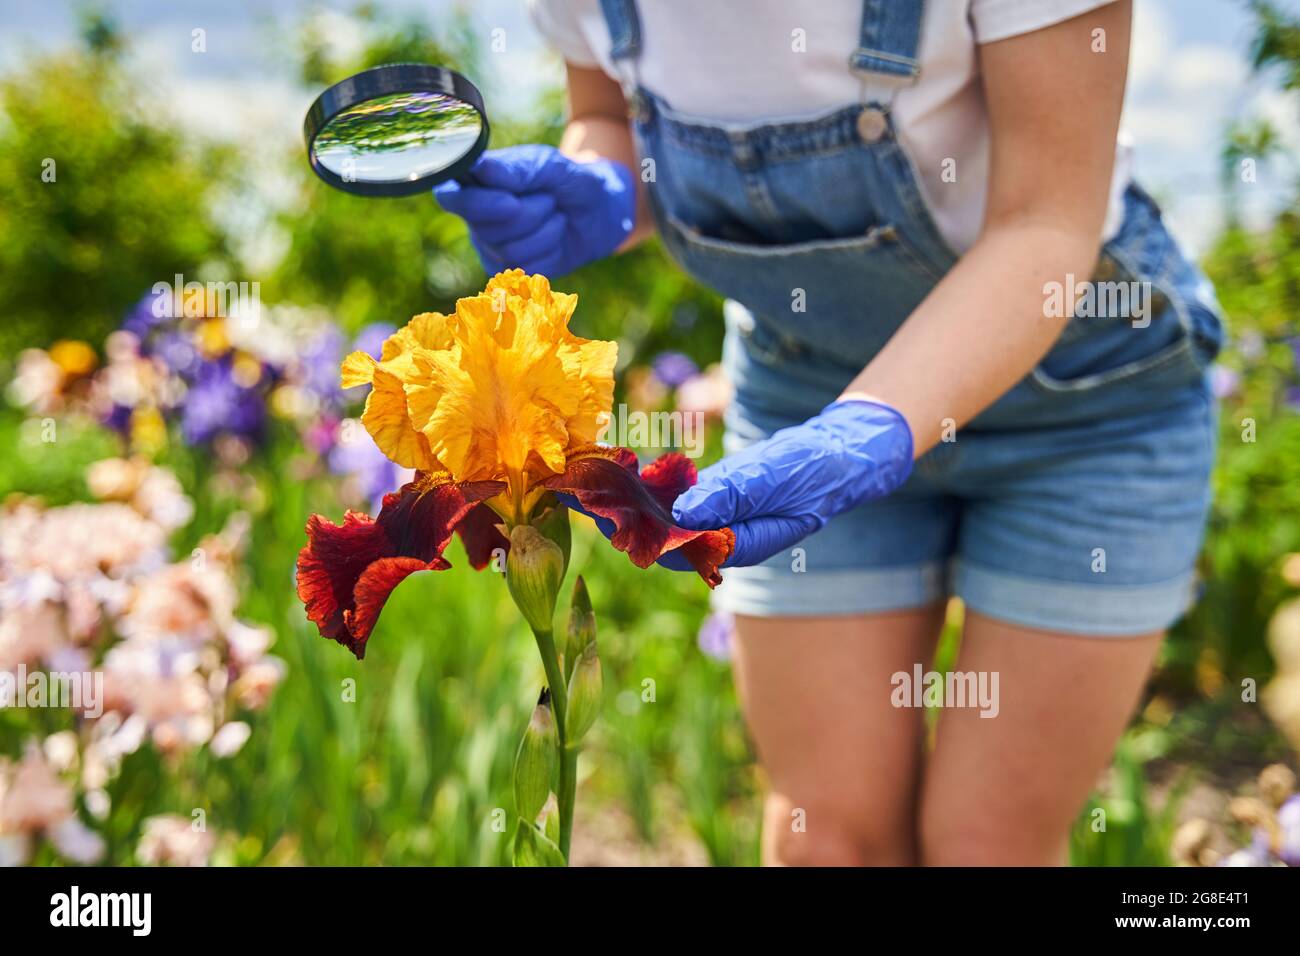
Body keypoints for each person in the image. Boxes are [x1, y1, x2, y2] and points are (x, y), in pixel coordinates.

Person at [433, 0, 1223, 866]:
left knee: (986, 843)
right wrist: (607, 184)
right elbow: (605, 117)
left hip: (1083, 402)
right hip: (812, 386)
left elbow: (1044, 222)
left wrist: (876, 426)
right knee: (826, 837)